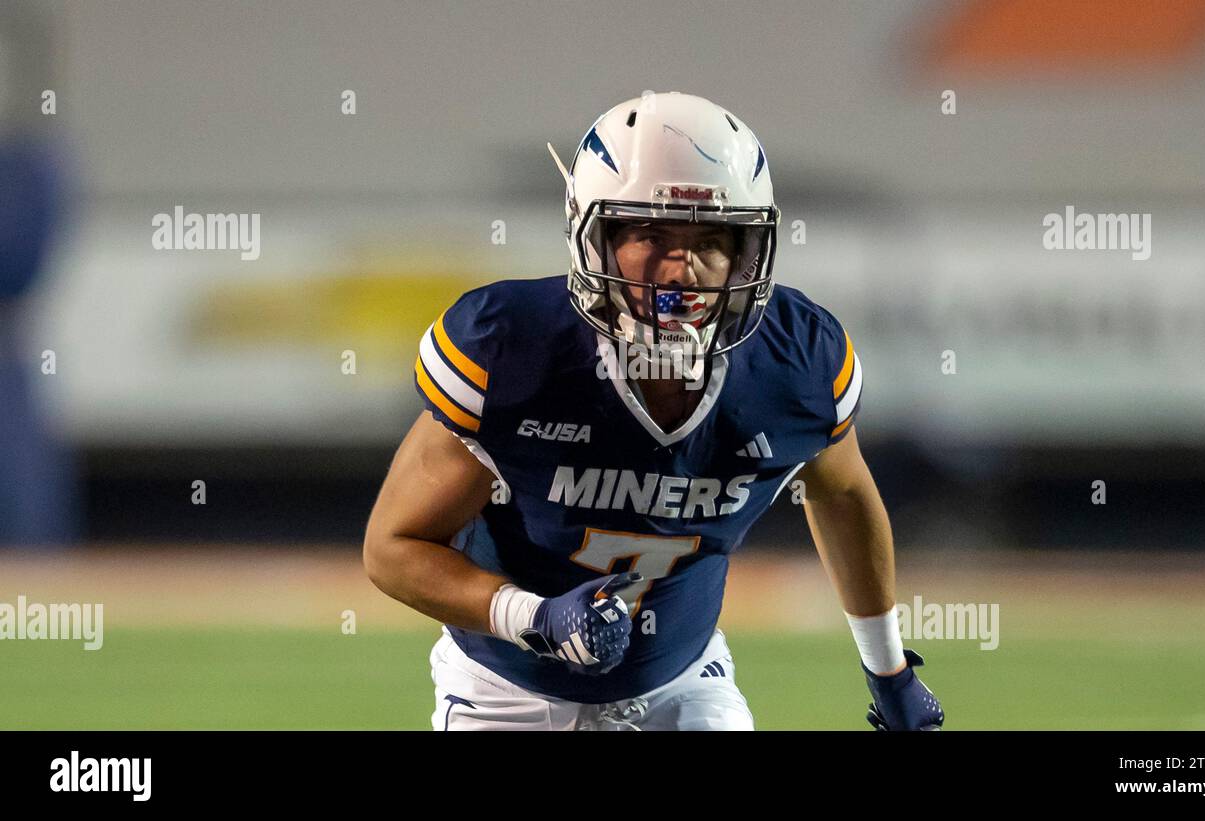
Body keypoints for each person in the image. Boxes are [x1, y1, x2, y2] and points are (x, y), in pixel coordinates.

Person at [364, 92, 944, 731]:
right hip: (508, 690)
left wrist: (889, 670)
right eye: (650, 233)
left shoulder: (795, 363)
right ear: (593, 235)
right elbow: (394, 547)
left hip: (683, 683)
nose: (683, 268)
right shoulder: (513, 351)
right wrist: (533, 617)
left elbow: (842, 492)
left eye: (712, 239)